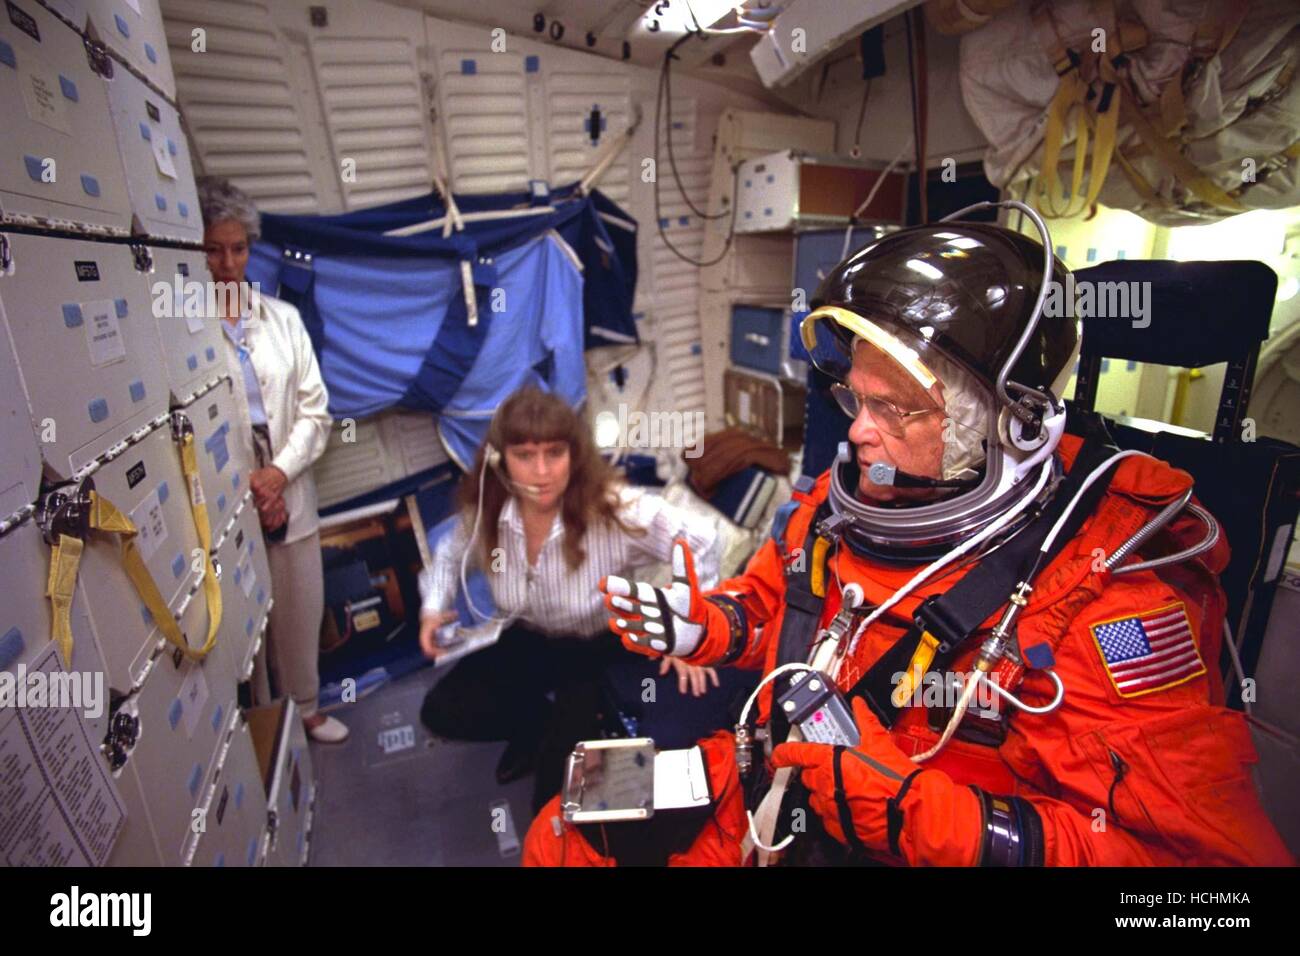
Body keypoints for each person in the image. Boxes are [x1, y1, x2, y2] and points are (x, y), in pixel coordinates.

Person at [524, 205, 1293, 866]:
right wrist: (710, 626)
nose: (856, 431)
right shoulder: (841, 503)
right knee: (561, 835)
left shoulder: (1104, 587)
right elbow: (779, 604)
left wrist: (923, 816)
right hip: (782, 778)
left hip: (911, 833)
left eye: (897, 409)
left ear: (1002, 421)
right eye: (857, 398)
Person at [417, 386, 735, 812]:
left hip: (599, 648)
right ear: (499, 460)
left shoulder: (612, 508)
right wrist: (433, 607)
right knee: (442, 711)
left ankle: (565, 734)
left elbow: (700, 540)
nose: (542, 471)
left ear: (575, 455)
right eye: (525, 456)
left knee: (555, 799)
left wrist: (687, 632)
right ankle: (536, 727)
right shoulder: (489, 511)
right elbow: (450, 553)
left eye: (554, 453)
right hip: (529, 638)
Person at [199, 176, 348, 744]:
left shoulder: (283, 318)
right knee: (244, 613)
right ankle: (261, 725)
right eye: (213, 249)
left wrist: (279, 473)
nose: (227, 263)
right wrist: (246, 481)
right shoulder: (183, 327)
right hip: (225, 486)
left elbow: (317, 412)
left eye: (237, 248)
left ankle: (306, 707)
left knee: (300, 602)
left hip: (286, 474)